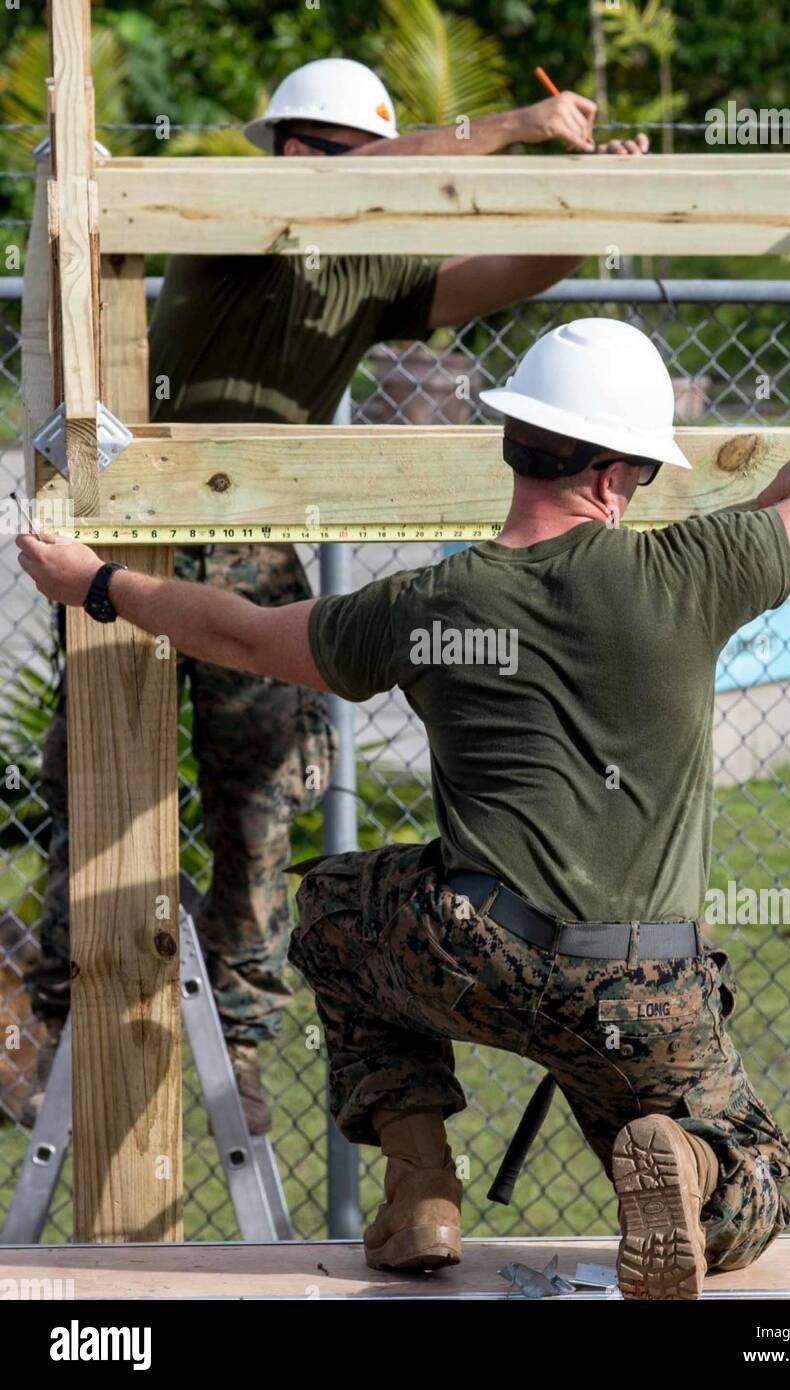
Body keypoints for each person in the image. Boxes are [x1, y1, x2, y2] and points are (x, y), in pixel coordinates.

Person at [19, 318, 790, 1299]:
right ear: (614, 478)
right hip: (647, 981)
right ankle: (686, 1167)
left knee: (338, 906)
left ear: (514, 444)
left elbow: (247, 633)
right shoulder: (694, 569)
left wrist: (96, 581)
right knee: (748, 1193)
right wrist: (788, 469)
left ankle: (422, 1189)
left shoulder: (430, 603)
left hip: (476, 949)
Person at [21, 59, 649, 1132]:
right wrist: (518, 125)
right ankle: (48, 1005)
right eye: (314, 152)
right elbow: (344, 192)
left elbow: (509, 272)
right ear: (288, 154)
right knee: (100, 787)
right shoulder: (231, 229)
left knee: (259, 798)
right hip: (145, 534)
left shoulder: (366, 274)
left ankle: (241, 1044)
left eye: (336, 153)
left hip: (250, 547)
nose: (317, 168)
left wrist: (597, 208)